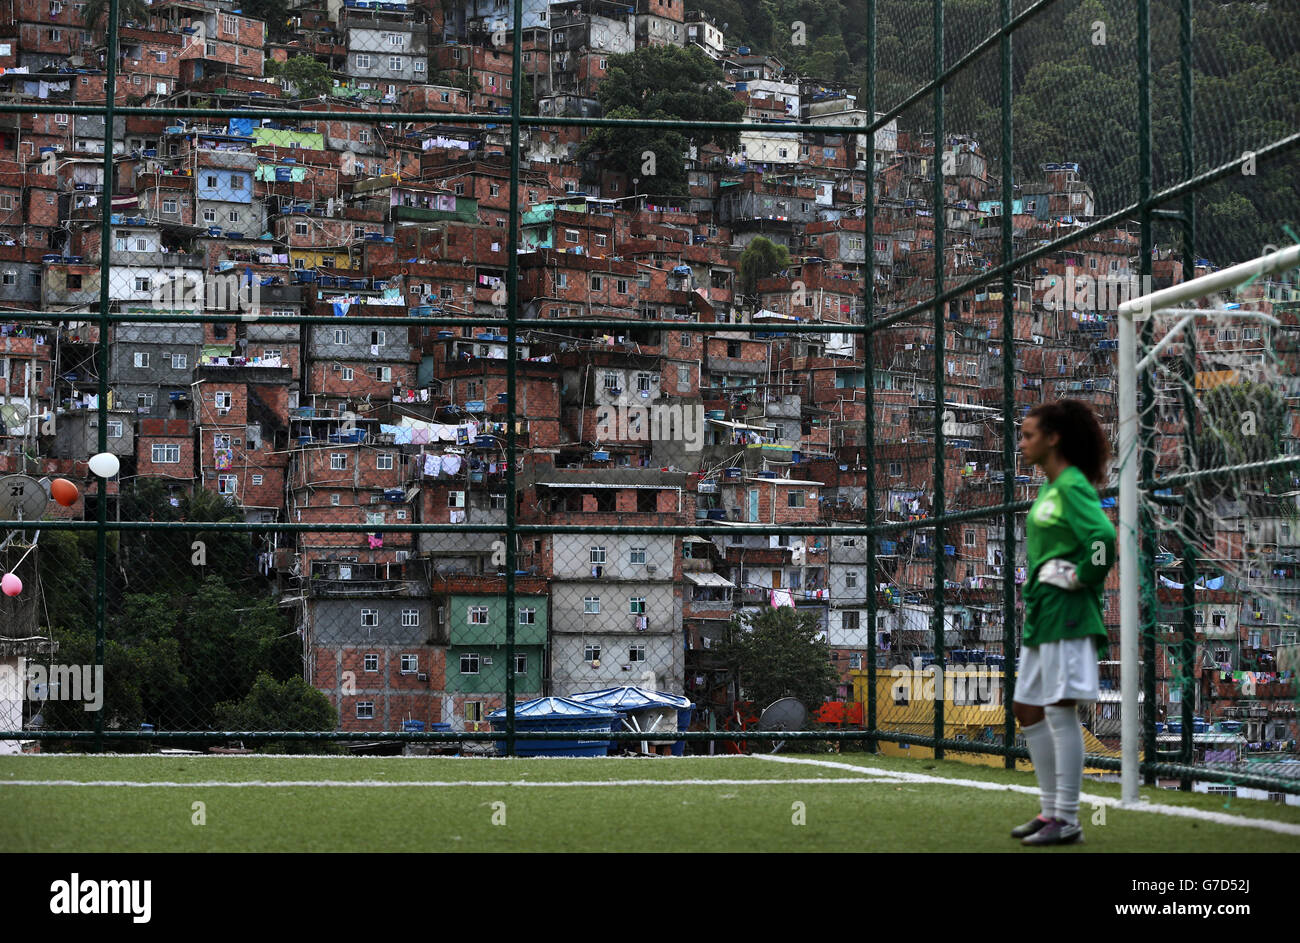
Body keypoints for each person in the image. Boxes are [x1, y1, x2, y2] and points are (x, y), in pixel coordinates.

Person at [1011, 399, 1116, 846]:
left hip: (1068, 616)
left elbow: (1104, 538)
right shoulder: (1049, 487)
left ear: (1052, 439)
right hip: (1042, 616)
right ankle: (1050, 809)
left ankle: (1067, 818)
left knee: (1059, 709)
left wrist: (1080, 577)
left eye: (1029, 435)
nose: (1022, 443)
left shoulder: (1071, 485)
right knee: (1027, 708)